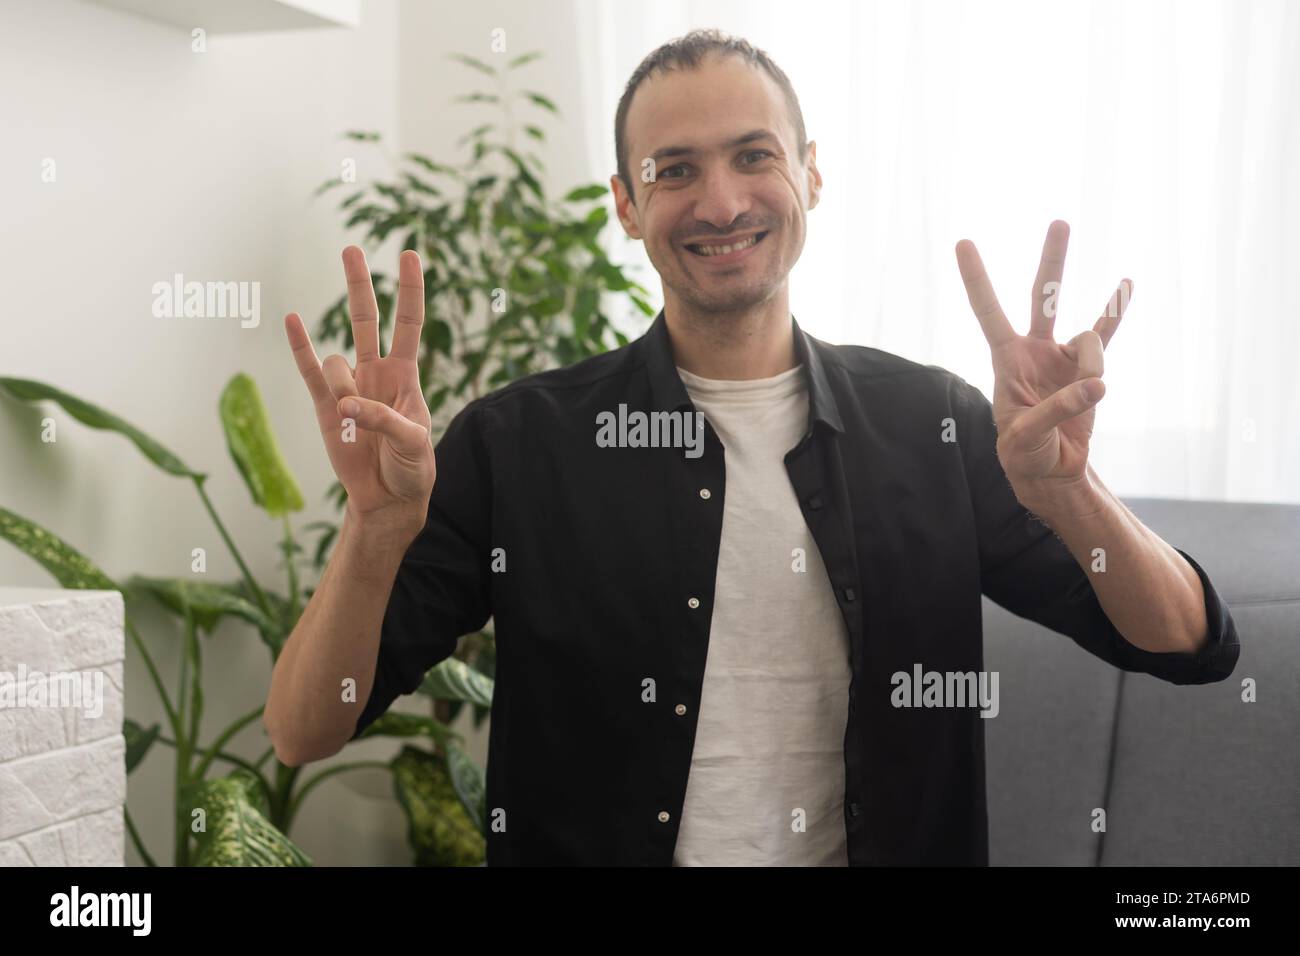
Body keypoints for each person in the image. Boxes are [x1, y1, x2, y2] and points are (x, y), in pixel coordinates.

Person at [263, 29, 1239, 866]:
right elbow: (305, 728)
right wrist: (376, 526)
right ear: (625, 205)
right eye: (675, 169)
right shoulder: (518, 442)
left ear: (811, 173)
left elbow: (1188, 643)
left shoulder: (936, 425)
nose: (722, 202)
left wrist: (1071, 490)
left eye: (753, 156)